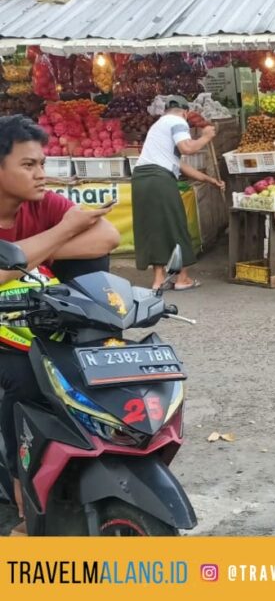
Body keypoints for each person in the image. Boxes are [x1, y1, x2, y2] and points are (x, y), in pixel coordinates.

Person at [0, 114, 120, 535]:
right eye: (28, 165)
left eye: (42, 163)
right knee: (23, 382)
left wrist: (29, 257)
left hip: (30, 320)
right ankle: (22, 508)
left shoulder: (43, 203)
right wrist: (63, 234)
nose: (40, 174)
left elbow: (106, 237)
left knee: (90, 366)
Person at [132, 95, 224, 291]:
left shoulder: (158, 125)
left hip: (141, 179)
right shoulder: (177, 121)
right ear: (185, 112)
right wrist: (206, 136)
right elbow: (187, 148)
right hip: (159, 179)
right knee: (177, 224)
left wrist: (208, 180)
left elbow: (180, 165)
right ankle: (182, 278)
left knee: (154, 228)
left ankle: (158, 280)